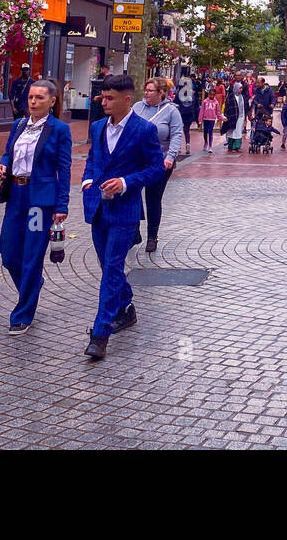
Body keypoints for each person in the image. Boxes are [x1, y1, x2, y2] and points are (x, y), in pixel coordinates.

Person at [81, 75, 165, 361]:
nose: (103, 103)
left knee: (113, 267)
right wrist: (87, 181)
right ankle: (126, 308)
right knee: (109, 268)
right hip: (97, 208)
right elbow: (93, 159)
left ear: (126, 99)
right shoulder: (96, 128)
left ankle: (100, 333)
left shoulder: (144, 130)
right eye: (102, 98)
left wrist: (127, 182)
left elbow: (156, 169)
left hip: (125, 211)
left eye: (109, 98)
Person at [0, 79, 71, 334]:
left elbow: (64, 169)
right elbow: (9, 153)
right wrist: (4, 164)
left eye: (40, 98)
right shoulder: (18, 125)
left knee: (31, 255)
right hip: (16, 194)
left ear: (52, 101)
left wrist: (62, 205)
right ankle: (32, 285)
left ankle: (23, 313)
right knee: (8, 252)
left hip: (40, 201)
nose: (34, 102)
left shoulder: (59, 130)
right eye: (31, 97)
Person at [133, 77, 184, 253]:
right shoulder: (137, 108)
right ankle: (134, 229)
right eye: (145, 90)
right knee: (132, 193)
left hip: (159, 161)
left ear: (161, 93)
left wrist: (170, 157)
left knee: (153, 198)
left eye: (150, 90)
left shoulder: (171, 111)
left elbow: (177, 134)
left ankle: (152, 236)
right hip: (137, 160)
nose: (146, 93)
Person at [221, 81, 247, 153]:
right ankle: (230, 146)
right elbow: (227, 107)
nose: (241, 90)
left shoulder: (243, 97)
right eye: (239, 88)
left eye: (241, 88)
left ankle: (237, 147)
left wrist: (246, 117)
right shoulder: (231, 96)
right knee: (231, 132)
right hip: (232, 117)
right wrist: (225, 115)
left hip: (241, 117)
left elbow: (245, 107)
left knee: (238, 132)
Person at [174, 76, 199, 149]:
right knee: (186, 130)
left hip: (181, 114)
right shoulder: (192, 94)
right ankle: (187, 143)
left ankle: (178, 146)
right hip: (190, 114)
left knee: (179, 130)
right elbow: (195, 106)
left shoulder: (179, 94)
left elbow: (175, 103)